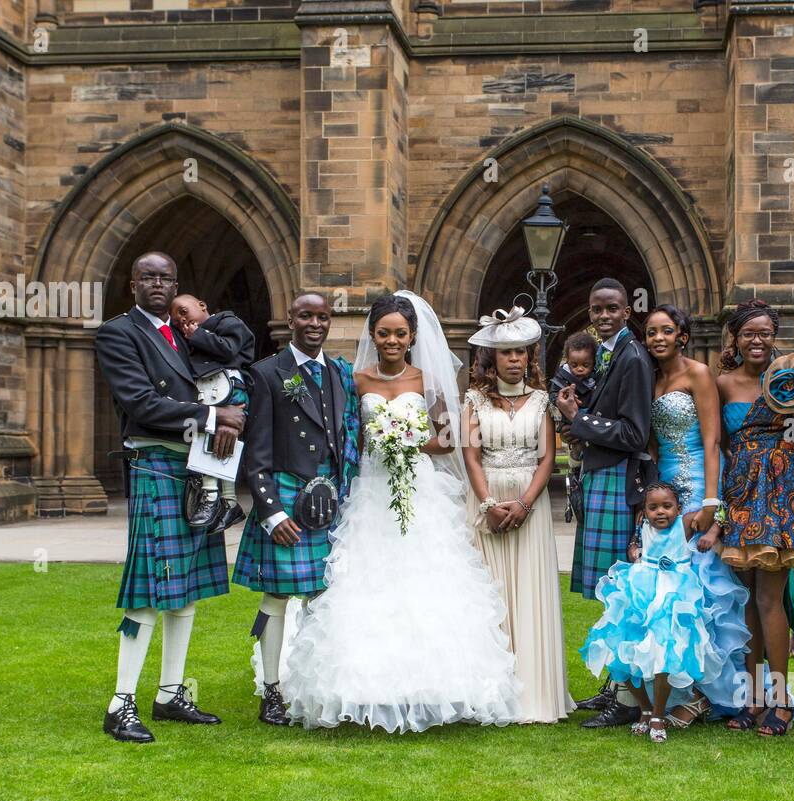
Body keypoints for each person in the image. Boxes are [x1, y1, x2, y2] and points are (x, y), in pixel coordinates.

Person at [278, 292, 521, 733]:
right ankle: (361, 685)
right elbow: (346, 436)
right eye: (384, 333)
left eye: (400, 334)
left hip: (418, 488)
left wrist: (406, 437)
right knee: (367, 578)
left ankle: (437, 685)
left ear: (412, 337)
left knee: (424, 577)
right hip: (371, 489)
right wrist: (378, 439)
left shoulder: (427, 380)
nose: (392, 340)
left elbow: (447, 439)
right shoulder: (356, 380)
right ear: (373, 335)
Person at [93, 251, 243, 743]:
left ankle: (170, 693)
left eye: (166, 278)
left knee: (186, 591)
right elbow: (140, 402)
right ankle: (121, 704)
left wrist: (224, 414)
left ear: (177, 283)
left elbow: (231, 361)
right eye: (147, 277)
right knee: (148, 593)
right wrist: (214, 418)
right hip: (156, 463)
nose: (157, 285)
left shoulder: (184, 331)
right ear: (132, 284)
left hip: (197, 464)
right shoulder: (119, 333)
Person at [232, 291, 360, 726]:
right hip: (288, 495)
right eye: (306, 316)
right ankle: (272, 690)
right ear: (291, 320)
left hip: (332, 499)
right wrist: (271, 513)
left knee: (326, 596)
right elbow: (257, 452)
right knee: (277, 595)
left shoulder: (340, 374)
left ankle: (317, 686)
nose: (315, 324)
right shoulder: (267, 374)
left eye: (322, 317)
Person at [462, 307, 575, 724]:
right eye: (506, 353)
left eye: (521, 353)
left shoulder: (543, 400)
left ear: (530, 358)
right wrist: (489, 504)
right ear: (491, 359)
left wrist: (525, 503)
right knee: (490, 594)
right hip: (487, 498)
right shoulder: (473, 400)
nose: (514, 360)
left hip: (531, 498)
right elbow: (470, 455)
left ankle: (534, 695)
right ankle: (489, 693)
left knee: (530, 591)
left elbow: (548, 458)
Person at [642, 305, 752, 729]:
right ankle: (679, 690)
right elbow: (652, 446)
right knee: (672, 591)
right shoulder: (651, 380)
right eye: (651, 332)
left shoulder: (698, 375)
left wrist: (710, 502)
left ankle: (709, 693)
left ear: (682, 336)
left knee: (705, 589)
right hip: (664, 491)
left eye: (666, 330)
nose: (657, 338)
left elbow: (712, 441)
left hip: (698, 484)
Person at [555, 278, 655, 729]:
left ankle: (629, 702)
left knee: (622, 592)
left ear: (627, 311)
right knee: (611, 593)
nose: (604, 315)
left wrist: (582, 420)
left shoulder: (633, 357)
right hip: (600, 477)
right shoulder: (607, 354)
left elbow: (634, 434)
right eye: (596, 308)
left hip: (618, 478)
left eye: (612, 308)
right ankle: (615, 687)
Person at [717, 299, 794, 737]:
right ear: (735, 338)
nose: (756, 340)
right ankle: (753, 699)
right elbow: (717, 444)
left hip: (779, 493)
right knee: (748, 602)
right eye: (748, 333)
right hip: (739, 491)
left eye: (764, 332)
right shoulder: (721, 384)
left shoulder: (792, 379)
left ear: (774, 336)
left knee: (769, 599)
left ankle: (781, 701)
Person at [580, 482, 745, 744]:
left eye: (667, 506)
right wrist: (635, 549)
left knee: (664, 655)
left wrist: (712, 533)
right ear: (644, 511)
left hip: (673, 597)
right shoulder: (643, 527)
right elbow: (637, 544)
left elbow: (722, 511)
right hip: (640, 593)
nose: (660, 512)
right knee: (621, 652)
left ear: (678, 508)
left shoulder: (684, 524)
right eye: (653, 507)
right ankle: (644, 708)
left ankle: (658, 714)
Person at [168, 293, 255, 533]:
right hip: (211, 391)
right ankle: (229, 502)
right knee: (218, 443)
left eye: (183, 312)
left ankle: (210, 495)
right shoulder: (189, 337)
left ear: (202, 305)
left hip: (230, 390)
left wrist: (197, 335)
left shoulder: (228, 322)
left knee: (209, 439)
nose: (181, 321)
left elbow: (228, 350)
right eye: (176, 321)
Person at [548, 331, 599, 478]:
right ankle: (575, 459)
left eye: (585, 365)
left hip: (591, 416)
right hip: (569, 419)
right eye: (574, 365)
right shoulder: (562, 377)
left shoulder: (597, 376)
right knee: (574, 437)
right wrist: (559, 399)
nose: (580, 369)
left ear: (593, 363)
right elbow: (552, 395)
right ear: (568, 362)